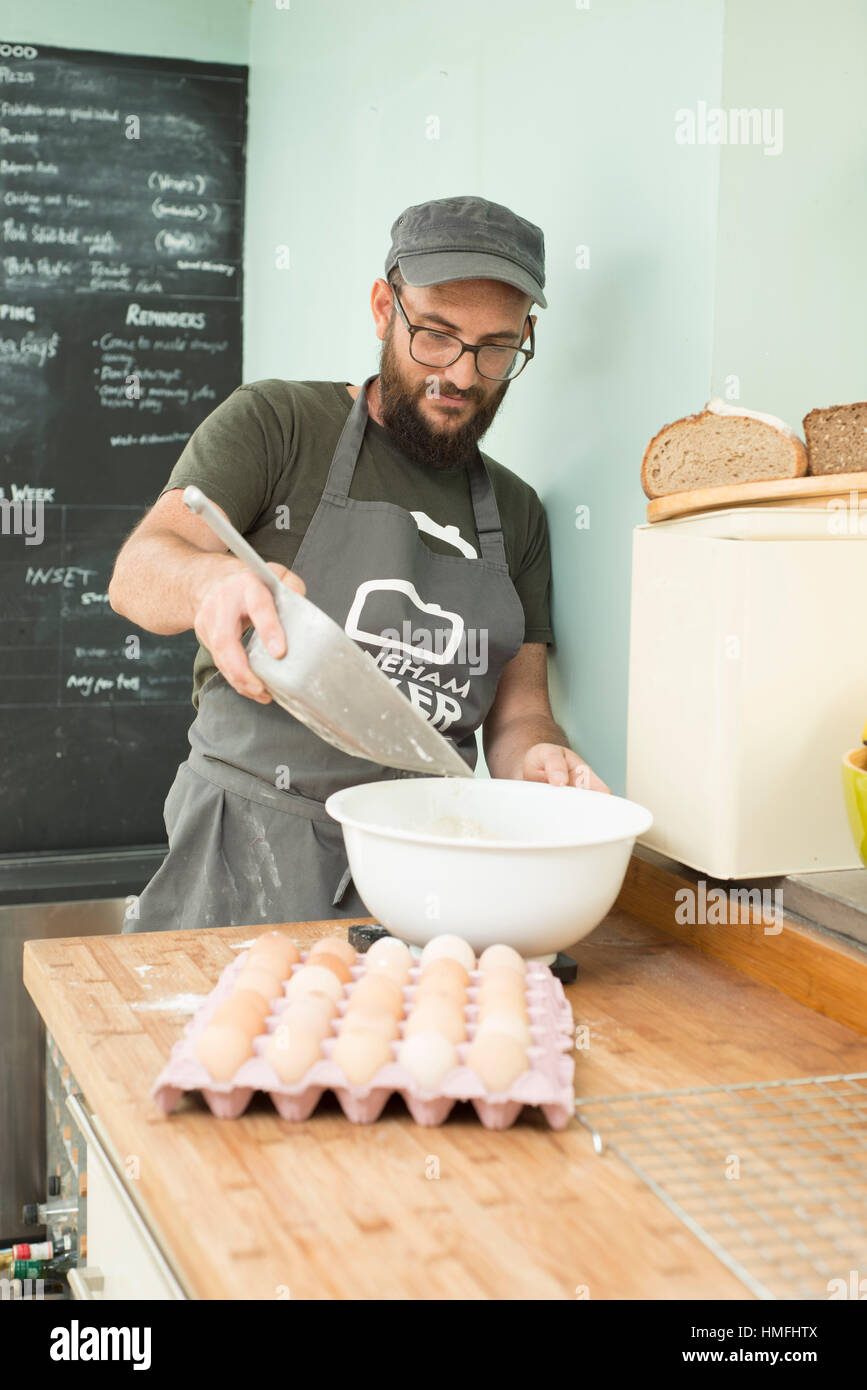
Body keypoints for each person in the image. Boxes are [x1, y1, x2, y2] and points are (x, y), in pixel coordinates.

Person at [109, 195, 609, 933]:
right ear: (384, 308)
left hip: (422, 871)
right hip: (244, 844)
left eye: (495, 348)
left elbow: (520, 712)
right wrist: (210, 579)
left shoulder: (518, 513)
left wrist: (538, 761)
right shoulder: (277, 424)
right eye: (435, 336)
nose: (463, 376)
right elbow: (138, 573)